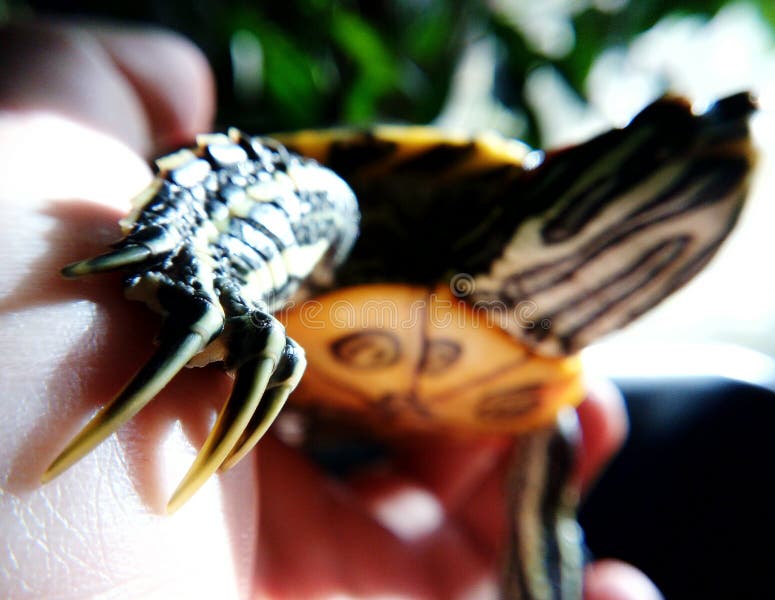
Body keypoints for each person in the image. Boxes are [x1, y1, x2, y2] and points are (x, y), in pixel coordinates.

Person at [0, 21, 662, 599]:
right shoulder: (376, 209)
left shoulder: (535, 384)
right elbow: (312, 188)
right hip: (290, 362)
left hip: (371, 465)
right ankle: (210, 256)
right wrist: (207, 262)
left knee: (557, 430)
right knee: (330, 202)